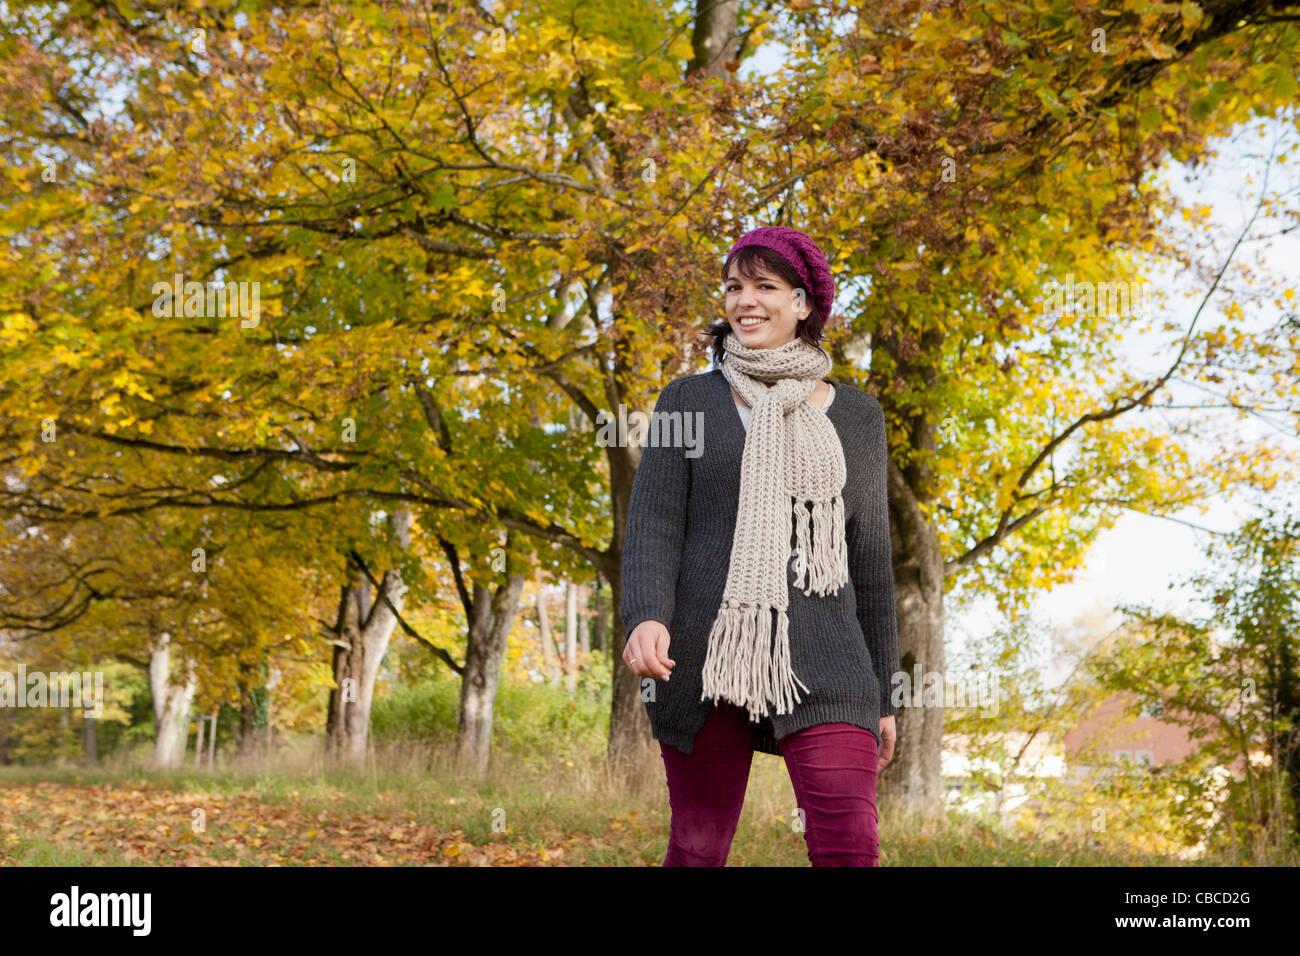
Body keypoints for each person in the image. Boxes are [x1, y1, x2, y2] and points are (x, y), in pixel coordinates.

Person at [620, 225, 900, 866]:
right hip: (702, 652)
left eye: (765, 287)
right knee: (698, 846)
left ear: (803, 304)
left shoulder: (858, 417)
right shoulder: (689, 400)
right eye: (734, 286)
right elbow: (655, 525)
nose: (745, 301)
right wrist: (647, 616)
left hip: (829, 658)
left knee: (850, 847)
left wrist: (884, 694)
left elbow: (872, 562)